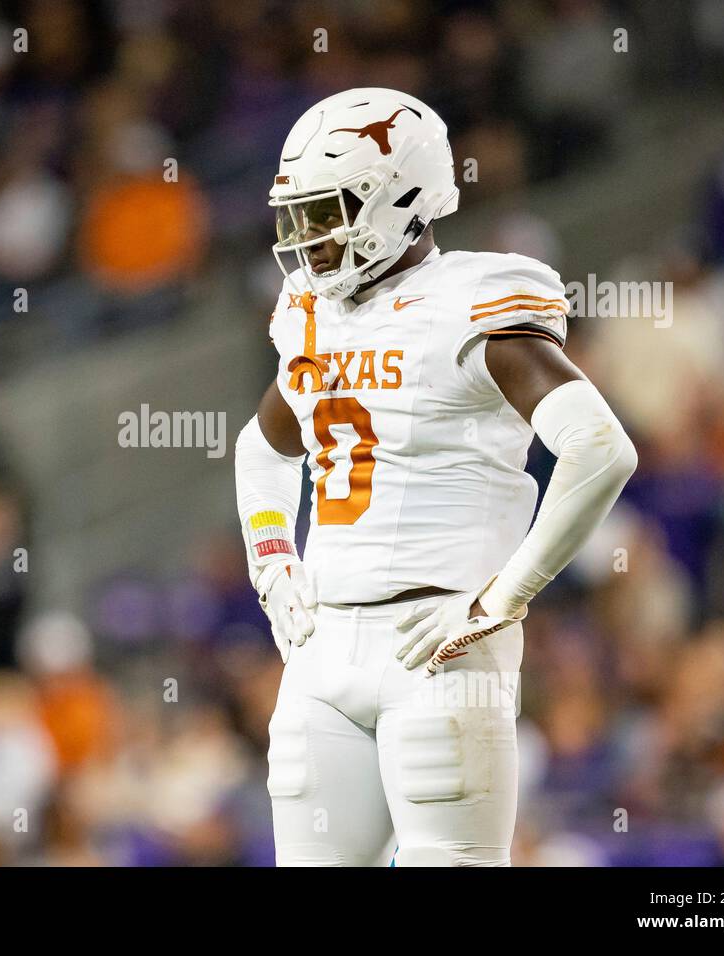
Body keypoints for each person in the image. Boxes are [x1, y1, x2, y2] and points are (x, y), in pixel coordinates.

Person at [234, 88, 637, 866]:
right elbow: (262, 448)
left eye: (331, 211)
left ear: (403, 198)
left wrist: (504, 596)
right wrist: (273, 558)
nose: (310, 239)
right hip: (324, 653)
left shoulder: (467, 302)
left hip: (440, 649)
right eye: (303, 215)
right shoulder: (313, 315)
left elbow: (600, 449)